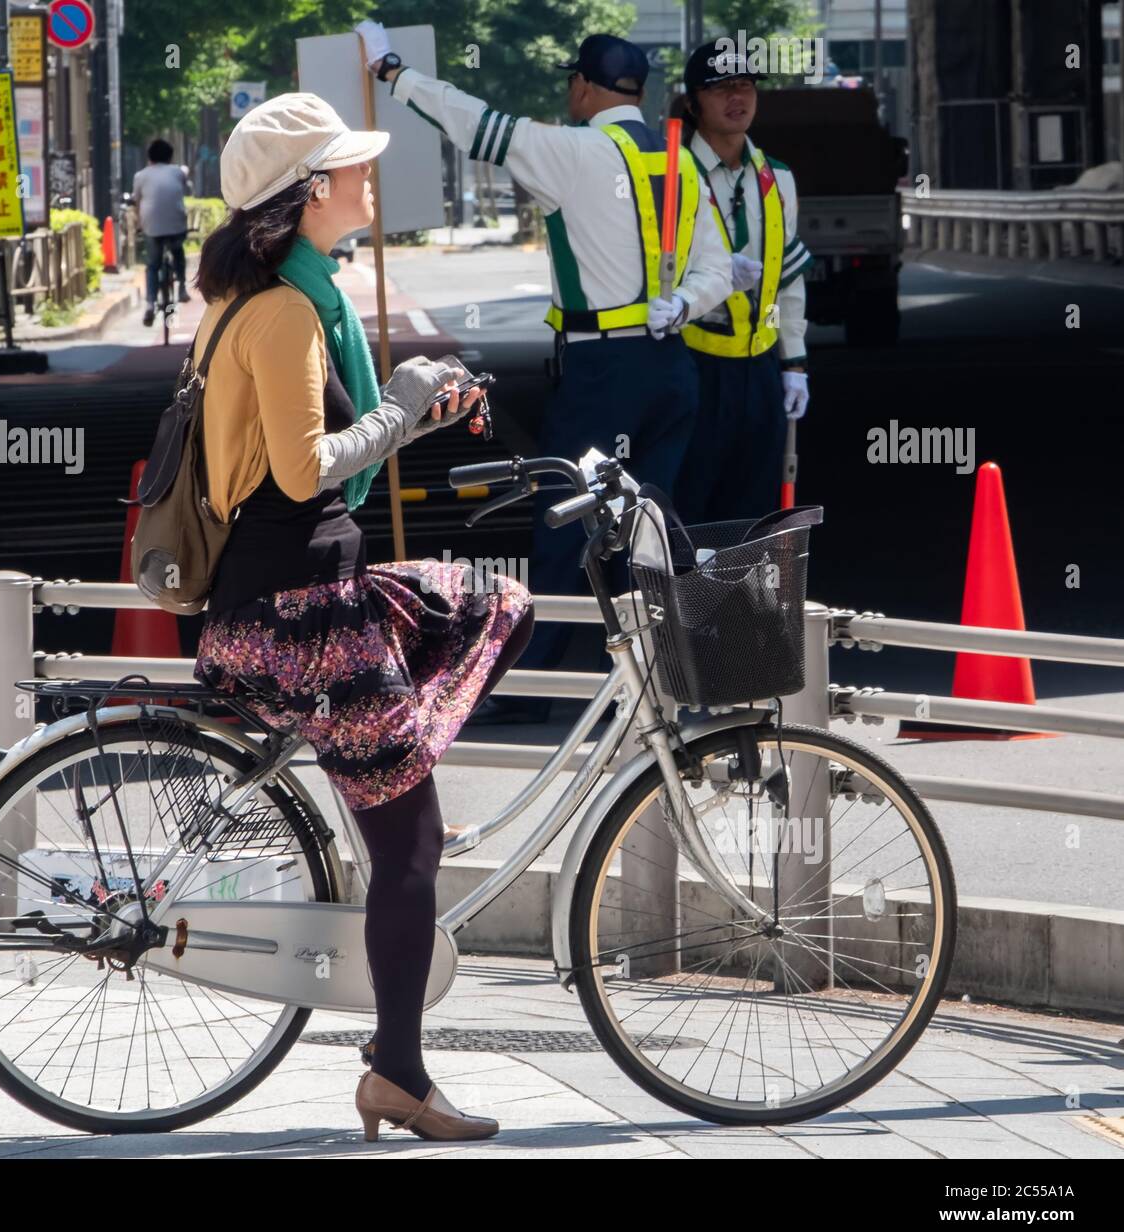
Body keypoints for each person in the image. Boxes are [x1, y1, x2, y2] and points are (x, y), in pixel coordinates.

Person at [188, 92, 535, 1142]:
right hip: (303, 610)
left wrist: (413, 410)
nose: (366, 181)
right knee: (413, 849)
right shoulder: (286, 312)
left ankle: (388, 772)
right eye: (347, 169)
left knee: (493, 602)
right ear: (302, 199)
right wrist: (402, 399)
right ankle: (397, 1071)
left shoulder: (259, 301)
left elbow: (318, 460)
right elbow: (304, 472)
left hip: (291, 591)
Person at [358, 22, 733, 723]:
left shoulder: (577, 148)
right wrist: (684, 300)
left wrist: (393, 71)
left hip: (602, 373)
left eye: (571, 83)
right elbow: (719, 267)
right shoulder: (683, 160)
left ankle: (534, 686)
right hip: (671, 366)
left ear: (584, 87)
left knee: (567, 523)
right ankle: (659, 686)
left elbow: (477, 123)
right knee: (650, 524)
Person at [673, 43, 813, 526]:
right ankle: (686, 600)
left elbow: (787, 280)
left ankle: (745, 601)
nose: (737, 97)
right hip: (692, 361)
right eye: (720, 88)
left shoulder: (779, 178)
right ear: (693, 102)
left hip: (760, 367)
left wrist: (793, 362)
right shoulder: (673, 174)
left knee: (756, 506)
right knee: (690, 495)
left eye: (746, 86)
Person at [133, 138, 192, 326]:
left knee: (152, 265)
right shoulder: (177, 172)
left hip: (151, 226)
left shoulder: (140, 176)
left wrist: (138, 225)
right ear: (170, 156)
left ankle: (150, 303)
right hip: (176, 225)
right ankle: (182, 287)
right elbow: (181, 188)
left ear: (149, 157)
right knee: (178, 252)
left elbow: (137, 202)